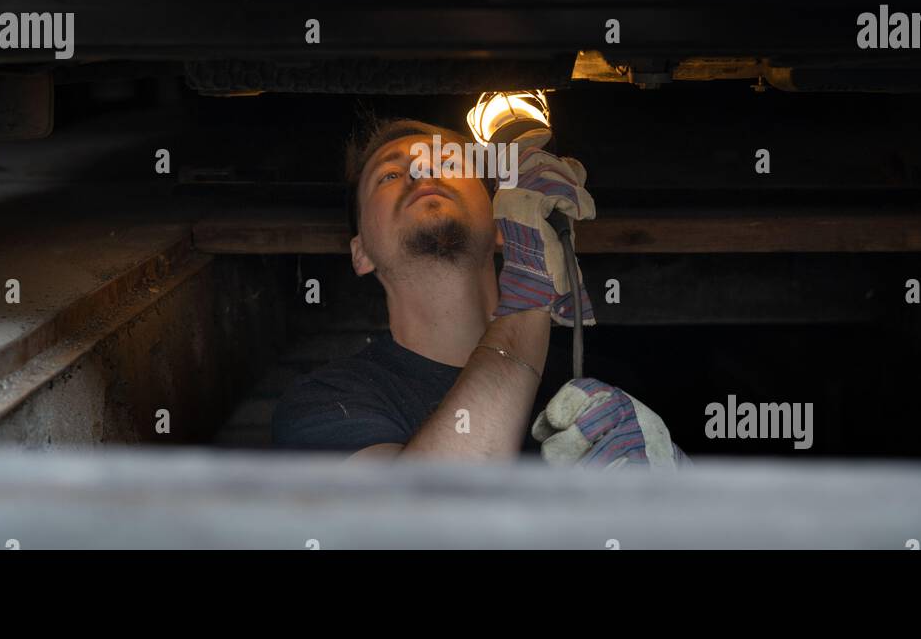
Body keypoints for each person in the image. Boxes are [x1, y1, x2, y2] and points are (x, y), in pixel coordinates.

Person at [271, 117, 686, 468]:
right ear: (361, 253)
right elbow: (414, 526)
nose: (422, 173)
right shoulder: (330, 400)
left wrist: (667, 488)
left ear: (501, 219)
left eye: (447, 162)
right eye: (391, 175)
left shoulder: (600, 388)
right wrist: (530, 290)